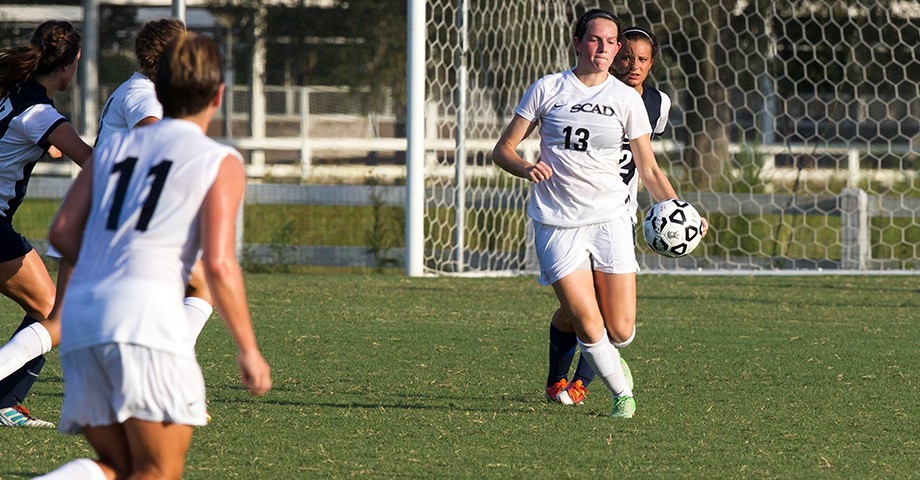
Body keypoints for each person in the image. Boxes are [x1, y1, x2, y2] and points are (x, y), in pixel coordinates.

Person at [39, 32, 272, 480]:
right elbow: (220, 264)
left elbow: (63, 232)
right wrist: (249, 350)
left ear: (158, 90)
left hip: (85, 320)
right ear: (219, 95)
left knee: (120, 468)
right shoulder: (218, 160)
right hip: (144, 320)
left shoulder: (118, 148)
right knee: (158, 470)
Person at [492, 8, 704, 418]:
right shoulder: (548, 88)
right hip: (557, 222)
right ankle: (622, 396)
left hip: (611, 220)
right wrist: (524, 167)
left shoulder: (627, 98)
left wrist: (684, 212)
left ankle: (607, 360)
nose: (605, 48)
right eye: (595, 39)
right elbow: (503, 149)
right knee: (588, 323)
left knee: (621, 329)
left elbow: (650, 169)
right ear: (577, 43)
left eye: (612, 41)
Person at [544, 25, 673, 406]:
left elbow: (647, 164)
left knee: (607, 314)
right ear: (613, 55)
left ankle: (583, 380)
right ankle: (558, 378)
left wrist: (675, 207)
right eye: (627, 56)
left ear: (652, 63)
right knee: (578, 307)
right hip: (571, 209)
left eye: (643, 59)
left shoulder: (656, 104)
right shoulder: (579, 94)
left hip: (617, 212)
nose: (633, 65)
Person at [96, 18, 217, 345]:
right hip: (126, 216)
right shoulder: (145, 96)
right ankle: (173, 360)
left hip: (111, 212)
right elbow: (154, 142)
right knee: (202, 284)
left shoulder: (135, 88)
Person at [0, 20, 91, 428]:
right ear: (69, 66)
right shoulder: (40, 114)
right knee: (52, 310)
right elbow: (93, 163)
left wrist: (47, 143)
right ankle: (6, 402)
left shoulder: (12, 92)